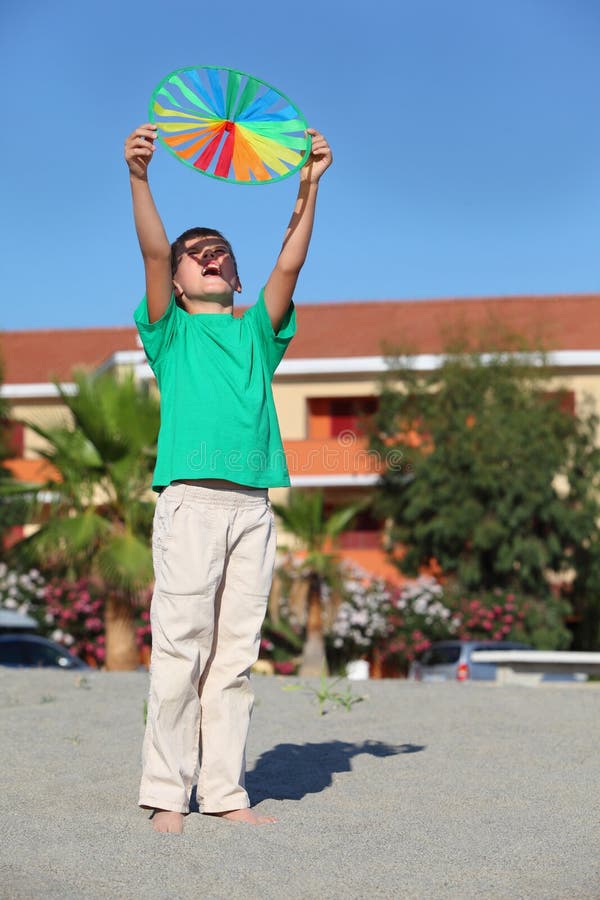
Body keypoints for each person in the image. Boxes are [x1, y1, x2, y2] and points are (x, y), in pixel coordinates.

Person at [124, 121, 332, 833]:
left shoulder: (255, 333)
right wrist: (140, 177)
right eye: (196, 253)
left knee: (235, 657)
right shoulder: (170, 331)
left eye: (221, 253)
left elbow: (291, 265)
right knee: (181, 648)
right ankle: (164, 793)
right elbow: (153, 246)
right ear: (178, 283)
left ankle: (223, 793)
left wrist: (307, 187)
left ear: (233, 277)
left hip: (252, 508)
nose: (209, 256)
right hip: (189, 502)